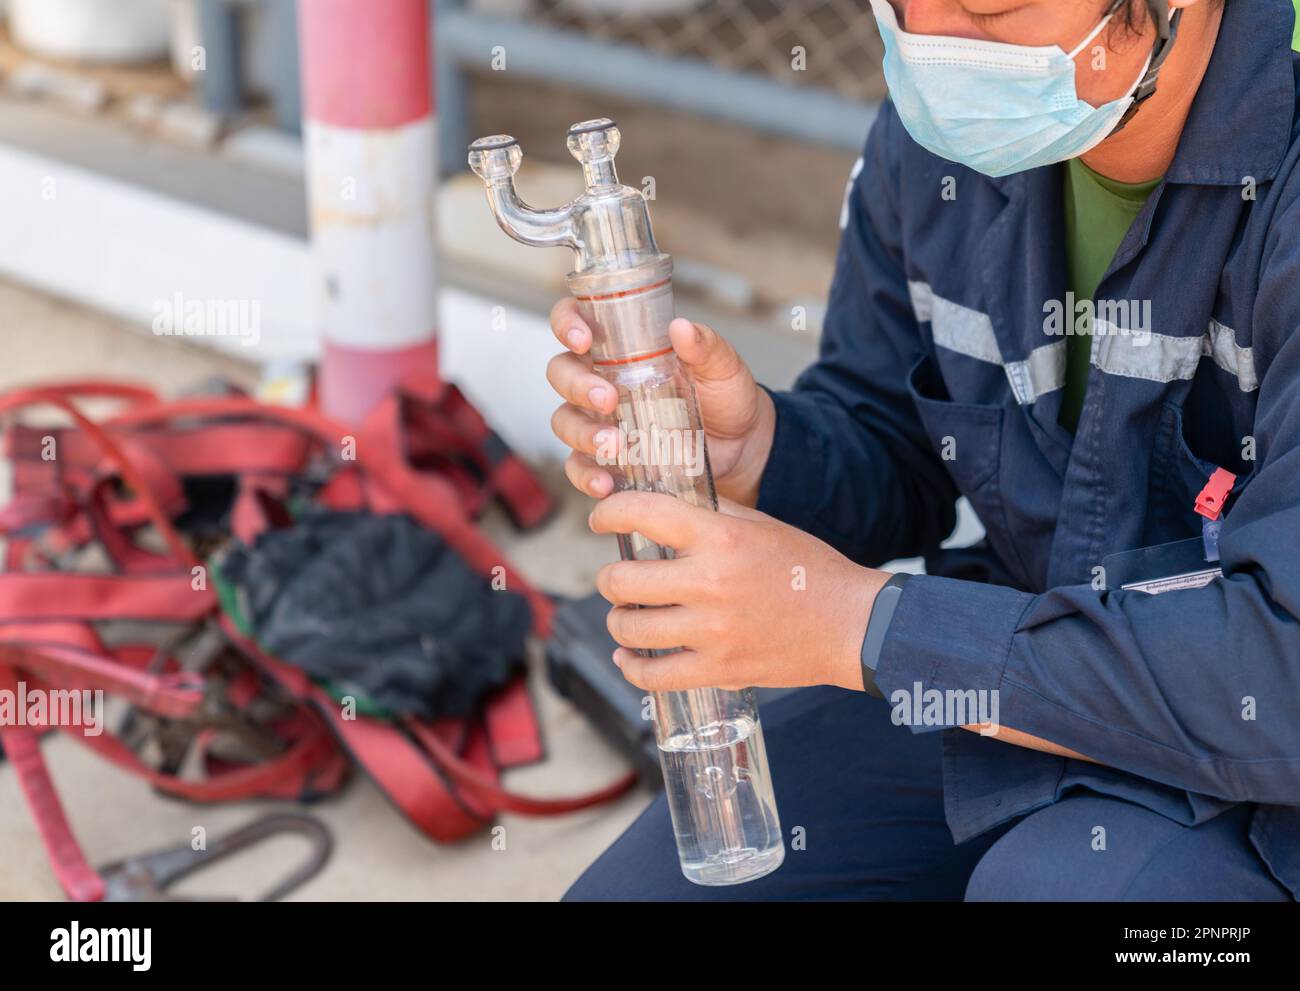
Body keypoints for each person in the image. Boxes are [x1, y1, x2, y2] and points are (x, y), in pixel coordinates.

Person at [551, 0, 1300, 900]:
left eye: (990, 6)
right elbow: (897, 443)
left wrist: (864, 627)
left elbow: (1282, 669)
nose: (937, 42)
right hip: (1012, 683)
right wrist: (760, 451)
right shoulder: (952, 135)